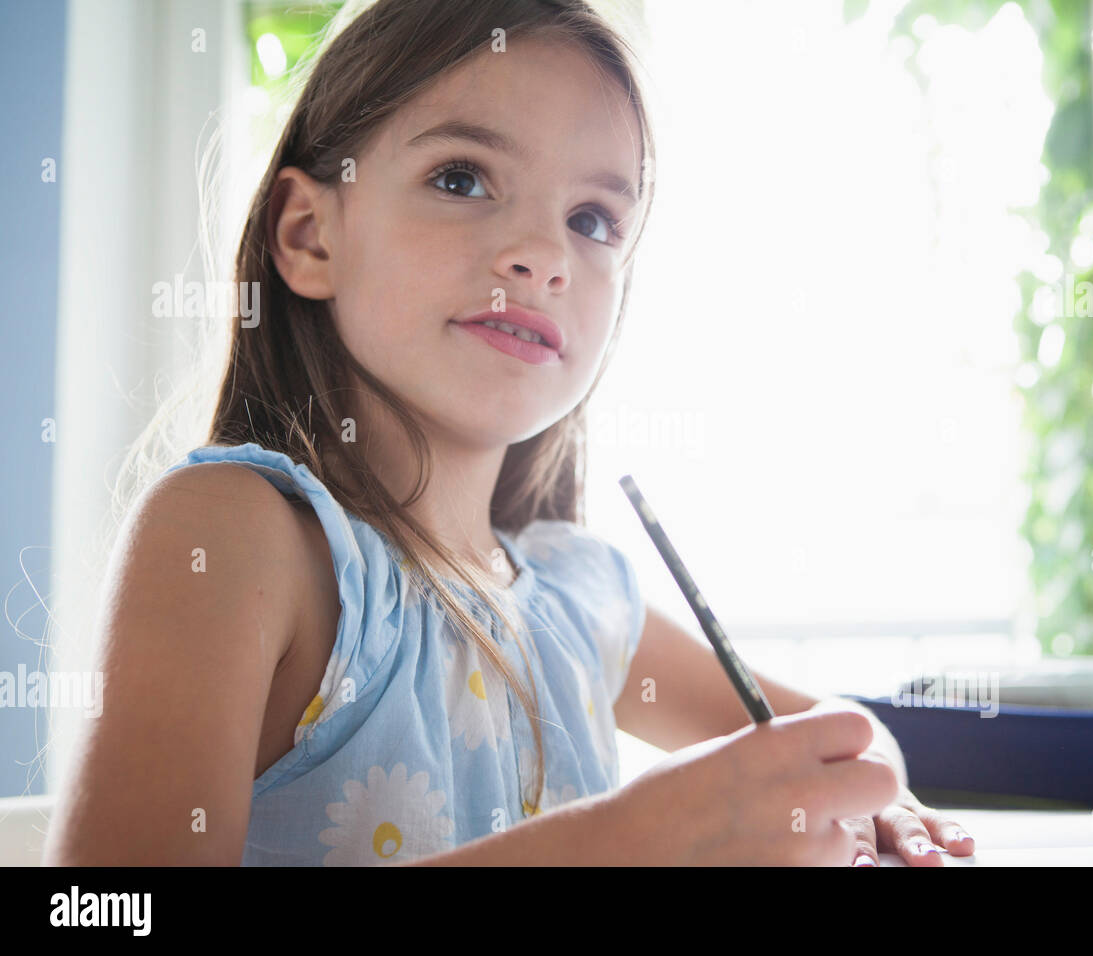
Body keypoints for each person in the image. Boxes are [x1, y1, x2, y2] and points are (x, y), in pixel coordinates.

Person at [43, 0, 974, 867]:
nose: (543, 254)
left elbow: (843, 734)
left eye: (593, 219)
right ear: (310, 235)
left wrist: (877, 795)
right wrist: (633, 842)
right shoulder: (233, 540)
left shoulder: (579, 600)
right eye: (463, 178)